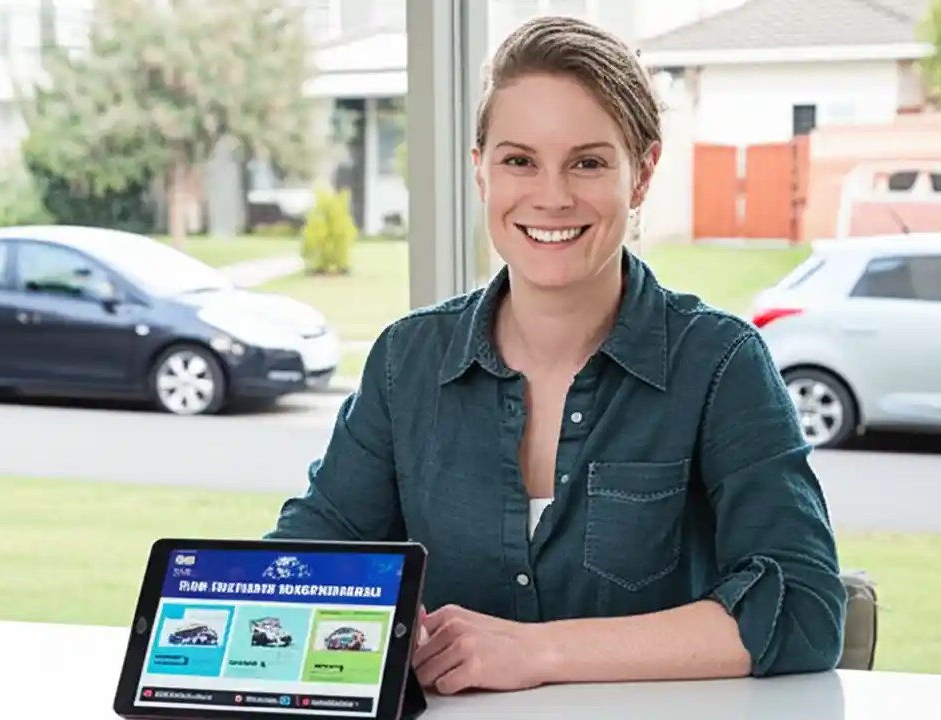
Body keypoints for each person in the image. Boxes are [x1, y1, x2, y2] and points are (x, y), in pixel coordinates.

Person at [266, 15, 846, 695]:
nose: (552, 196)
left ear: (642, 173)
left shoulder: (719, 363)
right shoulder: (407, 361)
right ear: (480, 169)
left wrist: (538, 653)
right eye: (520, 160)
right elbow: (305, 561)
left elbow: (804, 608)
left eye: (589, 162)